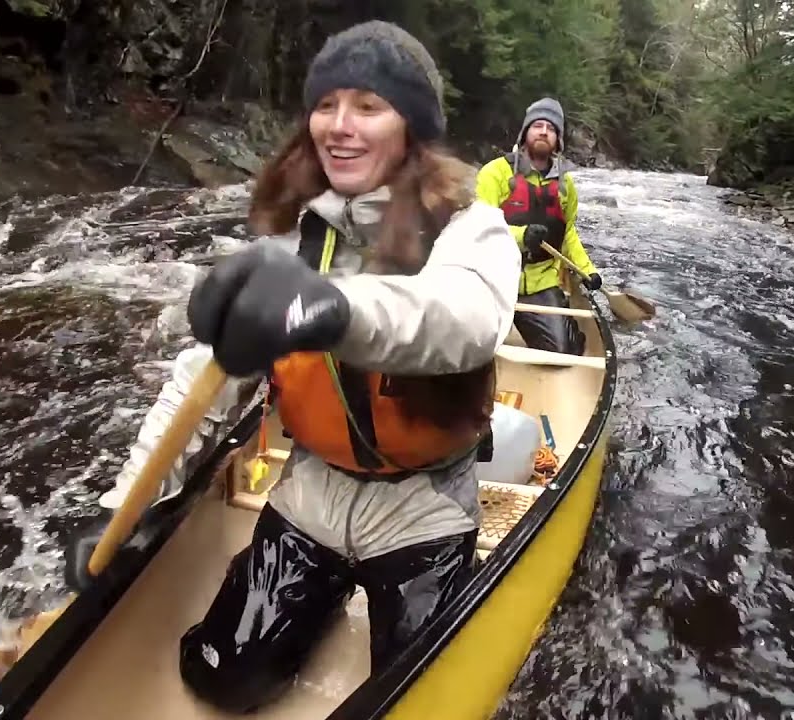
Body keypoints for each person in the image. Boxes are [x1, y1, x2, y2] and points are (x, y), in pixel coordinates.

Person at [62, 20, 520, 713]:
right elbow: (203, 381)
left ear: (414, 128)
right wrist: (121, 510)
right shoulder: (289, 236)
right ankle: (315, 585)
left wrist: (328, 307)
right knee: (220, 676)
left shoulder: (470, 227)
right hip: (311, 493)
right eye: (327, 104)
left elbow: (464, 319)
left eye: (369, 106)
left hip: (421, 504)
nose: (340, 126)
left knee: (419, 700)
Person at [475, 97, 602, 356]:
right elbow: (478, 229)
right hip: (492, 281)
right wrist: (522, 236)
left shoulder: (566, 188)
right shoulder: (495, 173)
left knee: (564, 352)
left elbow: (567, 235)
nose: (544, 131)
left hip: (540, 284)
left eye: (552, 128)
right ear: (525, 133)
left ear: (558, 140)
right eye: (538, 125)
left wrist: (587, 270)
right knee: (463, 350)